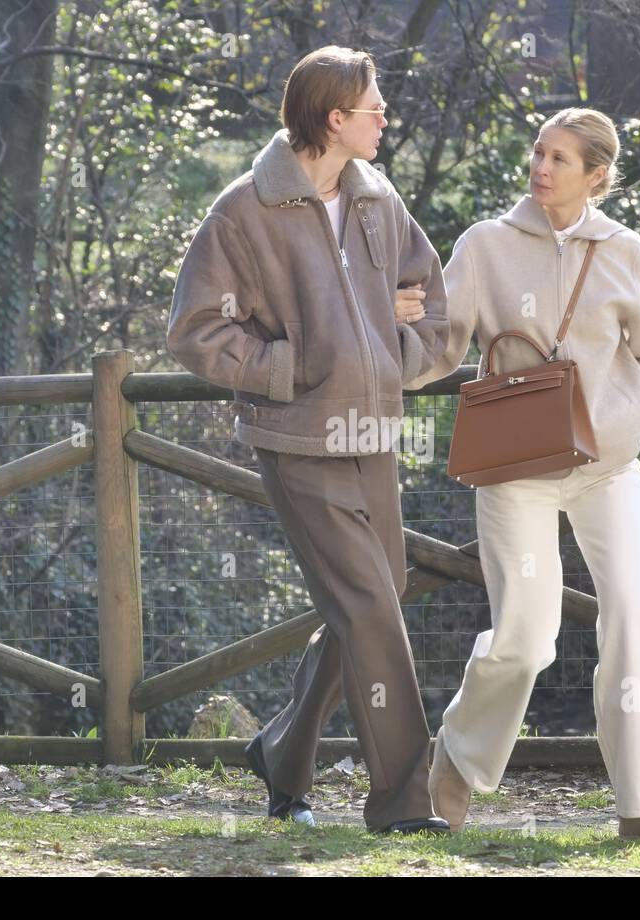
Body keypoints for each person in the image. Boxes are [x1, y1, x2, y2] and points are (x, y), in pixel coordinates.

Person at [166, 46, 451, 835]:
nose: (385, 119)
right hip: (299, 440)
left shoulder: (376, 199)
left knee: (374, 602)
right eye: (373, 108)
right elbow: (195, 331)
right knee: (367, 608)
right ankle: (402, 803)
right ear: (334, 118)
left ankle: (285, 753)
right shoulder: (245, 210)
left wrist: (399, 354)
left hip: (375, 434)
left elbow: (432, 302)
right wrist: (287, 368)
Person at [399, 107, 640, 840]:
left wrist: (618, 429)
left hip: (606, 470)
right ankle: (456, 760)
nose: (541, 167)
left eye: (561, 159)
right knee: (528, 636)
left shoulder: (626, 249)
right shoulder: (486, 244)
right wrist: (390, 331)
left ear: (596, 176)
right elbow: (440, 347)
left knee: (632, 615)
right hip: (514, 465)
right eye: (539, 151)